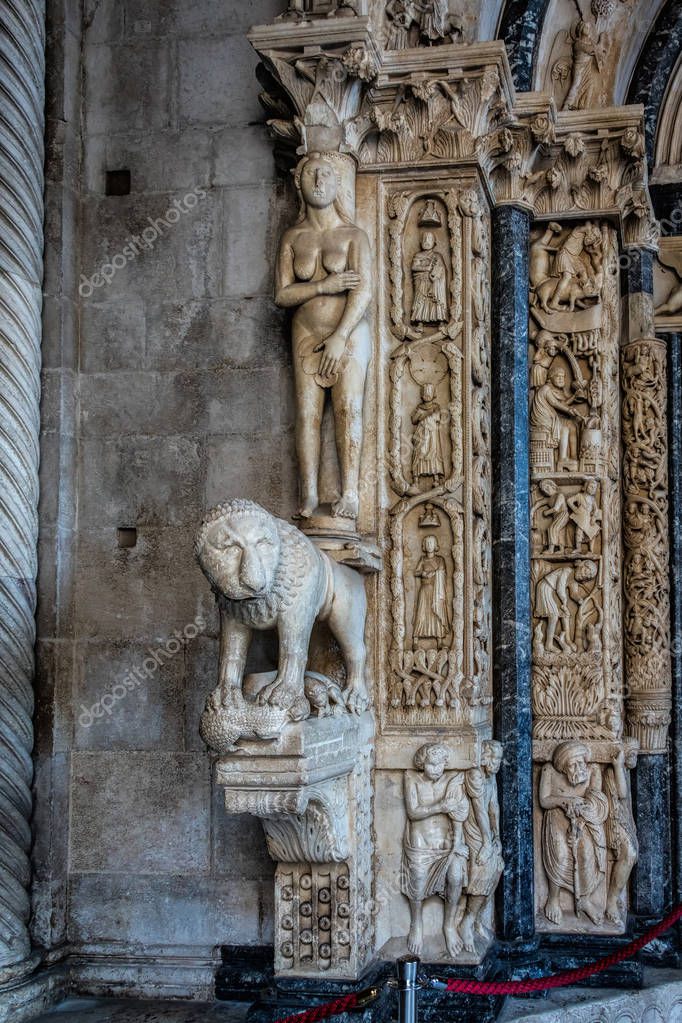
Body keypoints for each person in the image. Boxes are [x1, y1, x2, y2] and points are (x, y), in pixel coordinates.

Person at [275, 153, 372, 521]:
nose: (318, 181)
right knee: (307, 414)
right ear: (298, 183)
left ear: (338, 183)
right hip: (305, 331)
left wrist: (340, 336)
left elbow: (363, 291)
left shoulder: (353, 236)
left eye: (327, 174)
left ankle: (351, 492)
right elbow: (282, 294)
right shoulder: (293, 237)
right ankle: (310, 494)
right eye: (311, 174)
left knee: (348, 408)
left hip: (349, 332)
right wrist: (323, 286)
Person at [402, 744, 470, 958]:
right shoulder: (411, 778)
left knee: (456, 877)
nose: (436, 769)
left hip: (445, 845)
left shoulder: (452, 780)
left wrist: (457, 842)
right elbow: (413, 812)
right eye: (432, 764)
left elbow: (460, 813)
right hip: (420, 844)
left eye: (440, 764)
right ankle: (416, 923)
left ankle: (449, 926)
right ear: (422, 763)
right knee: (417, 880)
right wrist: (440, 806)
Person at [539, 741, 608, 926]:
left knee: (586, 853)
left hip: (582, 819)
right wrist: (565, 802)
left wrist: (578, 825)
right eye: (572, 765)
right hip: (557, 816)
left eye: (580, 762)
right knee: (560, 854)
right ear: (563, 767)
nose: (578, 768)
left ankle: (584, 899)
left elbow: (595, 801)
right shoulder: (549, 770)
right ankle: (553, 898)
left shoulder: (593, 770)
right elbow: (544, 800)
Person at [413, 536, 451, 647]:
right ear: (424, 546)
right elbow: (416, 572)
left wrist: (436, 573)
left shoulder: (440, 560)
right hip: (425, 590)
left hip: (436, 591)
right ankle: (415, 639)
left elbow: (442, 572)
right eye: (427, 543)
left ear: (435, 545)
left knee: (437, 613)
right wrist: (423, 573)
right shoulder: (423, 559)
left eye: (431, 543)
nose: (429, 545)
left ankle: (439, 640)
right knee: (421, 613)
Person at [411, 384, 445, 485]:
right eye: (425, 392)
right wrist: (420, 415)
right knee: (419, 453)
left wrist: (425, 416)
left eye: (429, 392)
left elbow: (437, 417)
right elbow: (413, 420)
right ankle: (416, 480)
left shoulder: (436, 407)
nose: (427, 395)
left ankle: (436, 479)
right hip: (421, 433)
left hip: (432, 434)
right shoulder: (419, 407)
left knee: (433, 454)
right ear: (422, 394)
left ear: (433, 394)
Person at [411, 232, 448, 324]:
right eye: (424, 239)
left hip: (434, 282)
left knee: (434, 299)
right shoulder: (418, 255)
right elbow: (414, 267)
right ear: (421, 242)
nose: (426, 241)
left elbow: (441, 269)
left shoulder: (437, 256)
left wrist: (436, 274)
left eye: (429, 239)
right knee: (421, 301)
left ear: (434, 242)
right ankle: (419, 322)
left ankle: (440, 321)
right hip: (421, 282)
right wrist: (426, 268)